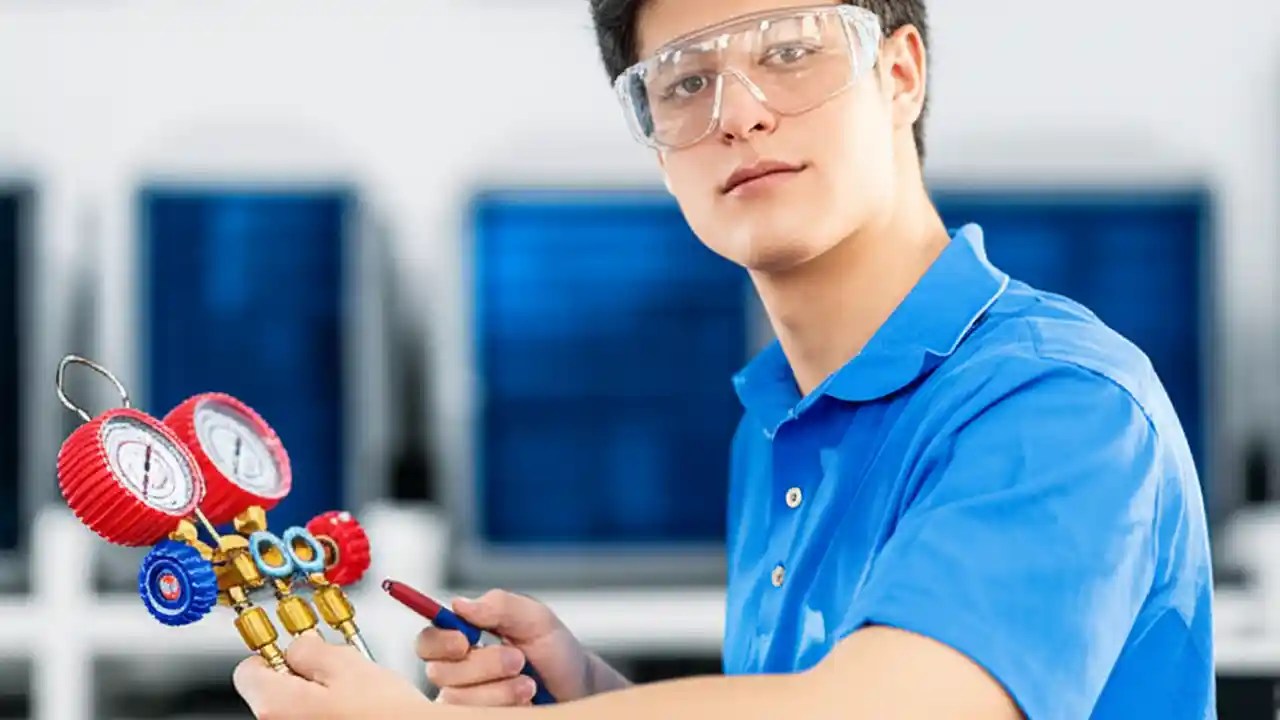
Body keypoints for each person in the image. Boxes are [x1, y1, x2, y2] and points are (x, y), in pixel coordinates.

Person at [232, 0, 1216, 717]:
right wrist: (588, 692)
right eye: (684, 83)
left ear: (900, 73)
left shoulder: (1057, 401)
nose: (738, 114)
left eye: (789, 51)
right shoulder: (779, 426)